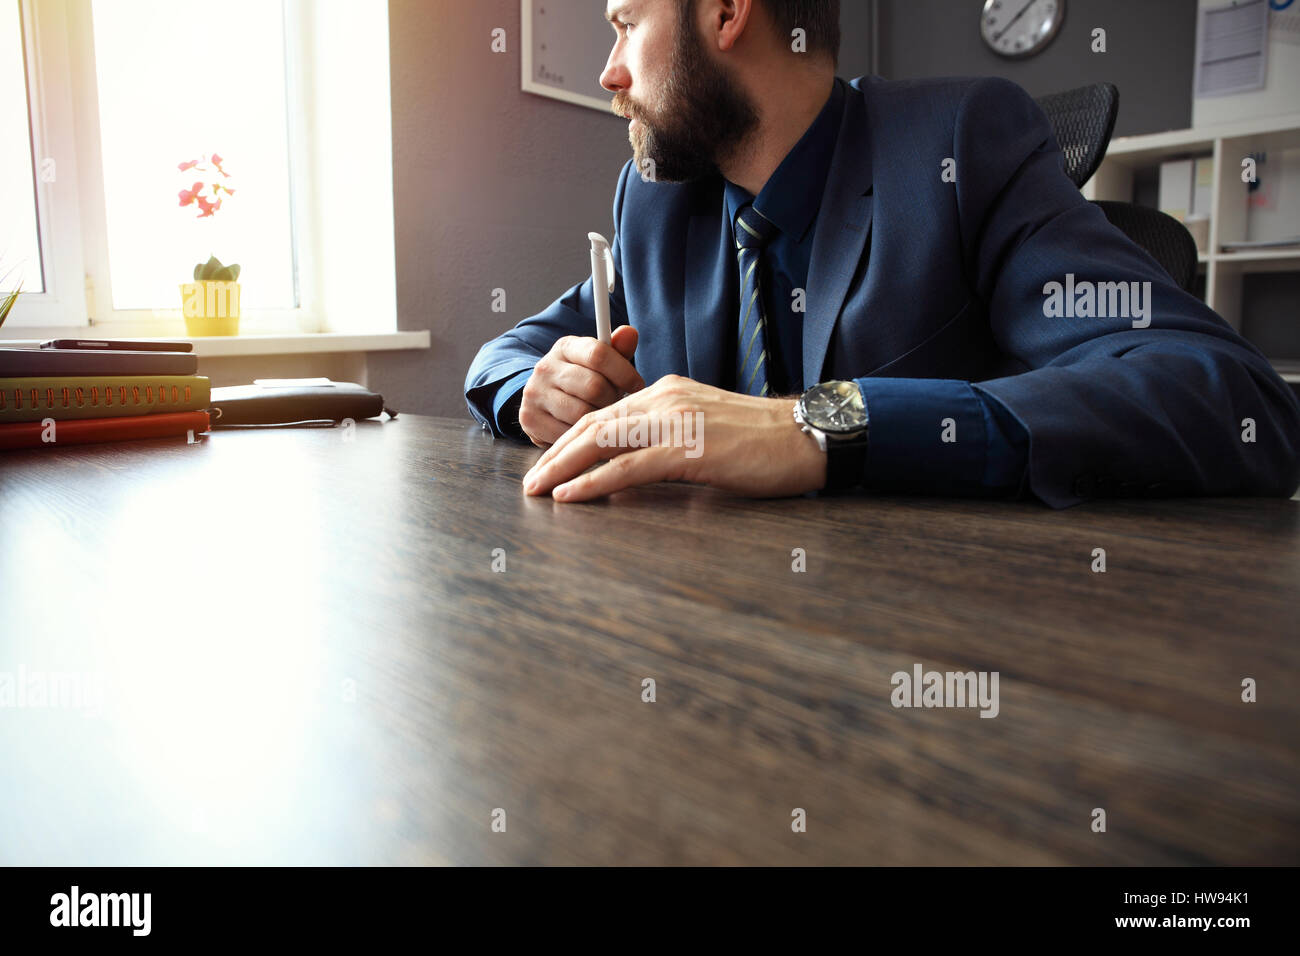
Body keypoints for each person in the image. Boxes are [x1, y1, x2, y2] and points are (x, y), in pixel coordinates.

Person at [464, 0, 1300, 507]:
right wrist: (537, 388)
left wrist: (814, 426)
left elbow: (1236, 400)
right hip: (698, 644)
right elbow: (506, 353)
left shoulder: (963, 146)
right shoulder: (656, 200)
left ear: (725, 13)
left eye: (624, 25)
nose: (609, 73)